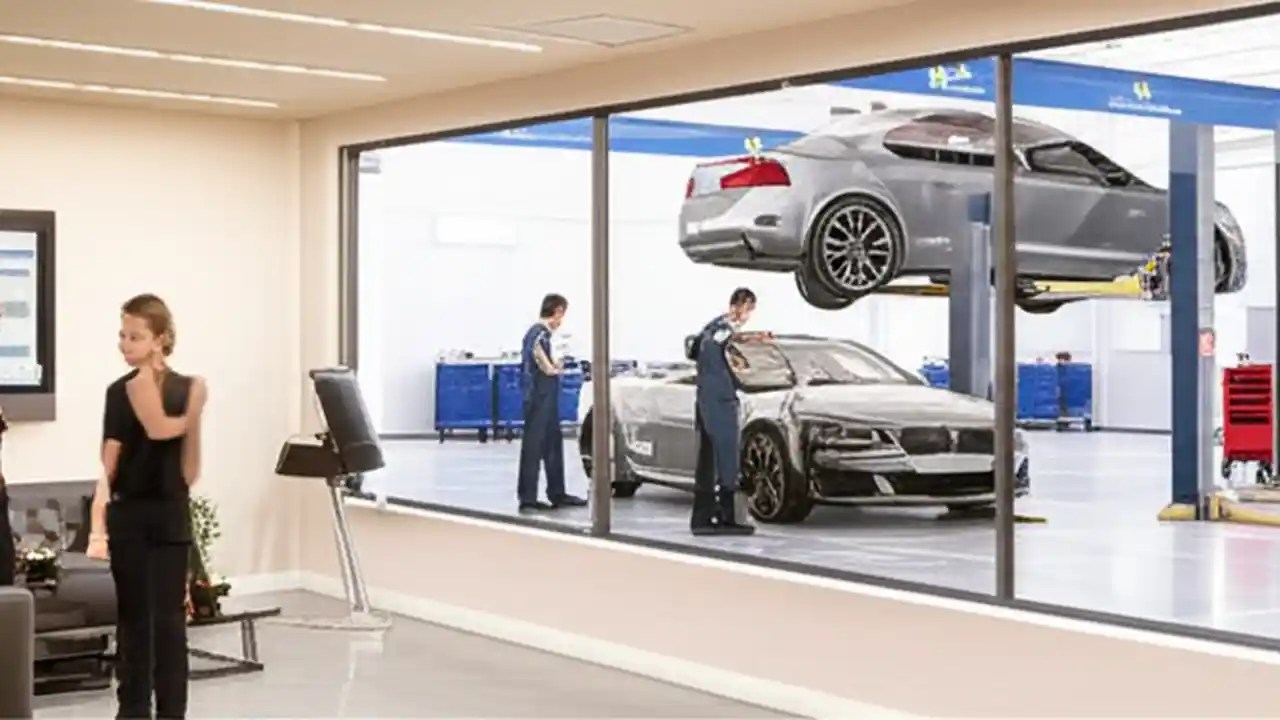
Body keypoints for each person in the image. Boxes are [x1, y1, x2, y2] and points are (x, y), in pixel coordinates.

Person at [86, 294, 207, 720]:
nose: (124, 343)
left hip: (170, 514)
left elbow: (190, 465)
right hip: (131, 517)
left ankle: (170, 712)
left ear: (161, 339)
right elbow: (110, 464)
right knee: (136, 619)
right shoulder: (118, 393)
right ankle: (133, 711)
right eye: (122, 334)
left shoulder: (184, 390)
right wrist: (99, 526)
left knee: (168, 623)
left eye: (135, 336)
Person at [688, 288, 768, 536]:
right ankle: (726, 515)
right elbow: (724, 348)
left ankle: (703, 517)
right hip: (719, 401)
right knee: (726, 458)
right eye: (748, 309)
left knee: (708, 459)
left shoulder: (711, 328)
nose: (747, 316)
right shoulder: (724, 331)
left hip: (706, 399)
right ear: (741, 306)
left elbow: (695, 350)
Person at [516, 293, 586, 512]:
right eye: (561, 315)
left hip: (547, 398)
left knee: (553, 445)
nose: (561, 320)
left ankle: (557, 492)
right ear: (557, 311)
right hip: (538, 398)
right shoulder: (538, 334)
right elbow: (544, 366)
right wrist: (558, 367)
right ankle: (527, 498)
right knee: (534, 447)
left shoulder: (542, 336)